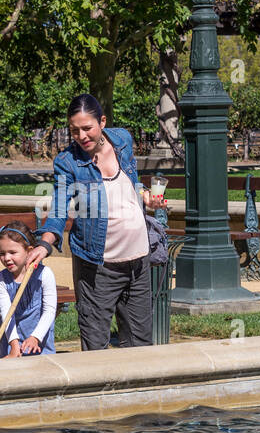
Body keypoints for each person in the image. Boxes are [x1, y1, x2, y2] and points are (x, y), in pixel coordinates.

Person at [25, 93, 164, 350]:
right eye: (74, 131)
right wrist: (45, 243)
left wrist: (145, 196)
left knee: (140, 345)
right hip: (98, 267)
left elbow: (132, 181)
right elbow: (58, 206)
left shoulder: (122, 140)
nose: (81, 136)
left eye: (87, 128)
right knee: (95, 345)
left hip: (138, 262)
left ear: (102, 122)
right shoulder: (68, 162)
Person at [0, 220, 58, 356]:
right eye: (2, 253)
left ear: (29, 251)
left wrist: (36, 337)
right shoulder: (1, 280)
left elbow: (49, 311)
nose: (7, 258)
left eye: (12, 252)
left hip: (39, 338)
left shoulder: (44, 274)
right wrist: (14, 345)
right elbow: (7, 315)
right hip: (12, 338)